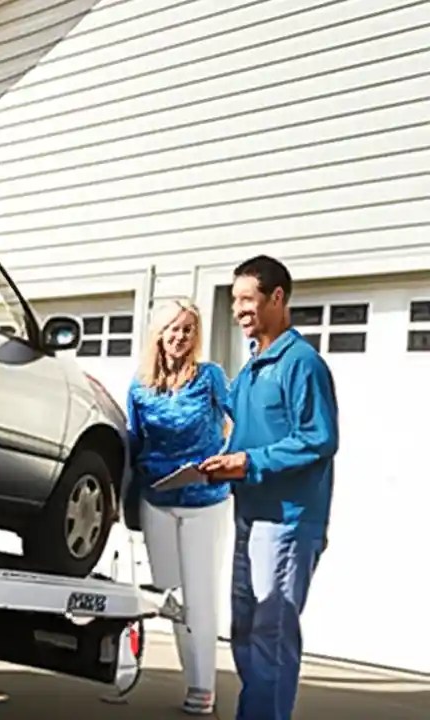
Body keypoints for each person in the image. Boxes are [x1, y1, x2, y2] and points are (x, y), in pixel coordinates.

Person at [199, 255, 340, 720]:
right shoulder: (255, 365)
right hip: (251, 514)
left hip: (288, 521)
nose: (238, 309)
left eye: (247, 299)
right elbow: (235, 421)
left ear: (276, 298)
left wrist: (248, 461)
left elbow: (319, 439)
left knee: (271, 634)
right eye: (234, 300)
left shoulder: (302, 364)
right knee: (245, 628)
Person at [122, 298, 233, 715]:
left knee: (200, 595)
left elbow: (239, 420)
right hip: (157, 498)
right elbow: (134, 443)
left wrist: (227, 462)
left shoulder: (210, 378)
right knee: (170, 594)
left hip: (205, 499)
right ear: (159, 334)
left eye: (188, 329)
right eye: (174, 328)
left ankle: (202, 688)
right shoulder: (140, 385)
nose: (181, 337)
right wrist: (124, 500)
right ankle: (192, 674)